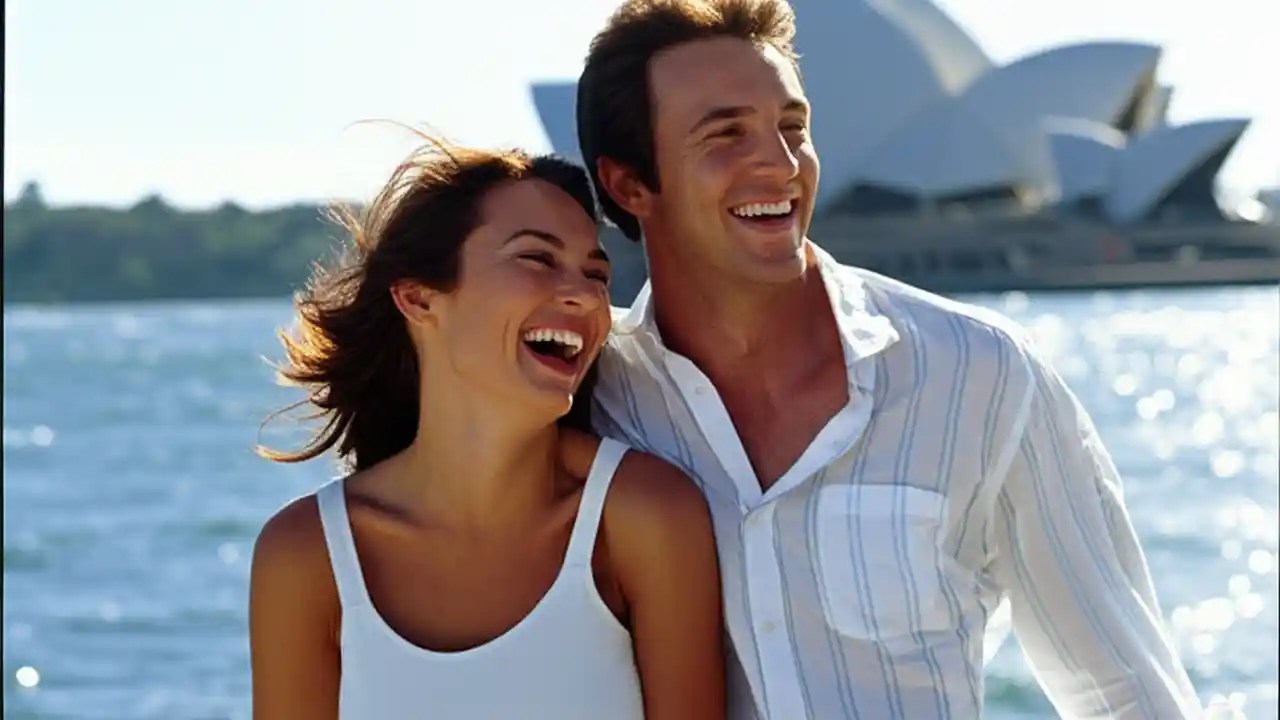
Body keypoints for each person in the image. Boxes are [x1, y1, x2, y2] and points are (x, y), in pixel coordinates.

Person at [574, 1, 1202, 718]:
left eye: (793, 128)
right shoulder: (590, 402)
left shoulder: (982, 376)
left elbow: (1128, 692)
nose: (781, 166)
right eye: (725, 135)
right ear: (629, 185)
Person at [248, 136, 725, 719]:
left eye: (596, 274)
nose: (582, 295)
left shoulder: (643, 516)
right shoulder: (306, 555)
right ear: (420, 299)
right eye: (536, 258)